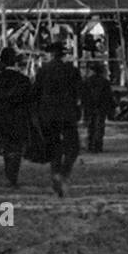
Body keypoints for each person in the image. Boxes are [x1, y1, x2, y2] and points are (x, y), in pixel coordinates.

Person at [33, 36, 82, 196]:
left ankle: (56, 174)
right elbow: (79, 92)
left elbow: (36, 93)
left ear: (50, 54)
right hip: (67, 114)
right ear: (62, 54)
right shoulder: (72, 70)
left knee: (54, 147)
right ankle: (64, 173)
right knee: (73, 147)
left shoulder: (43, 71)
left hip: (48, 115)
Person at [0, 46, 33, 187]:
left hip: (2, 118)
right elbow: (30, 102)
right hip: (19, 118)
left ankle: (9, 174)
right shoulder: (24, 80)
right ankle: (13, 176)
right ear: (15, 61)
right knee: (17, 148)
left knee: (6, 147)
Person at [80, 61, 115, 154]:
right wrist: (111, 107)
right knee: (99, 126)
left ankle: (90, 145)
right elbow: (108, 96)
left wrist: (83, 106)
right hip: (101, 107)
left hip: (90, 106)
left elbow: (83, 95)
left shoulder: (87, 81)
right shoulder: (105, 82)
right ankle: (98, 146)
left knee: (91, 126)